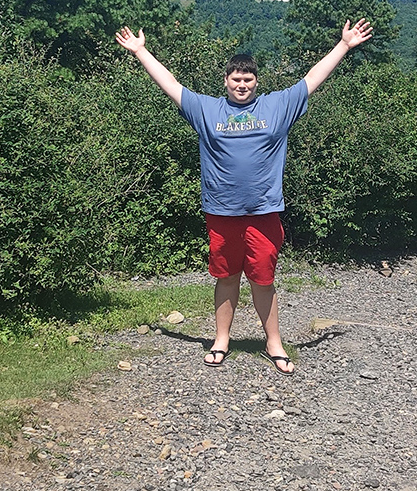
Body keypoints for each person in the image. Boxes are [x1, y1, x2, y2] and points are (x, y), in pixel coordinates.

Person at [116, 20, 373, 372]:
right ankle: (221, 340)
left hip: (264, 212)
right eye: (236, 79)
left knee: (263, 279)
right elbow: (171, 85)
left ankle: (274, 343)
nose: (241, 84)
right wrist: (141, 51)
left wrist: (343, 46)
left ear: (256, 82)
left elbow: (312, 79)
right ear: (226, 82)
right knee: (226, 277)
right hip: (222, 212)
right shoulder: (207, 110)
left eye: (248, 79)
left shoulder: (276, 107)